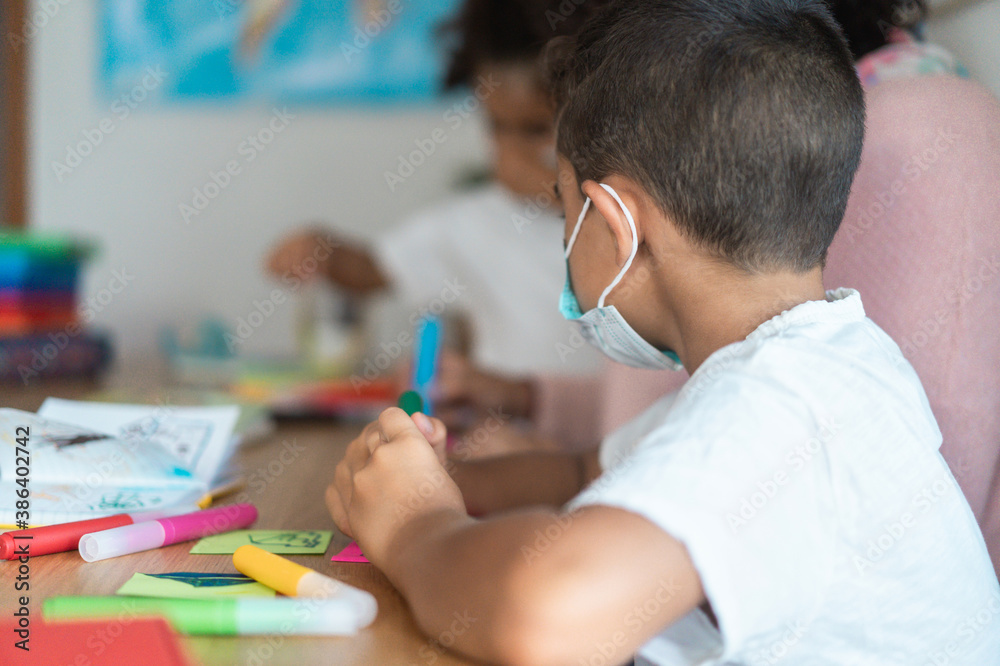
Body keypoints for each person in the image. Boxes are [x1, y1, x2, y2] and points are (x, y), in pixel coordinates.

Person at [325, 2, 1000, 664]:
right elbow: (581, 471)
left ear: (619, 227)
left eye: (567, 208)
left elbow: (547, 616)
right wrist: (435, 483)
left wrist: (418, 530)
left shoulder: (782, 409)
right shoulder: (819, 369)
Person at [265, 0, 601, 387]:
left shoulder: (627, 226)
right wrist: (324, 251)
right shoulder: (471, 223)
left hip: (612, 438)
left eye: (535, 129)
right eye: (496, 127)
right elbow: (375, 270)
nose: (509, 154)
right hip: (506, 438)